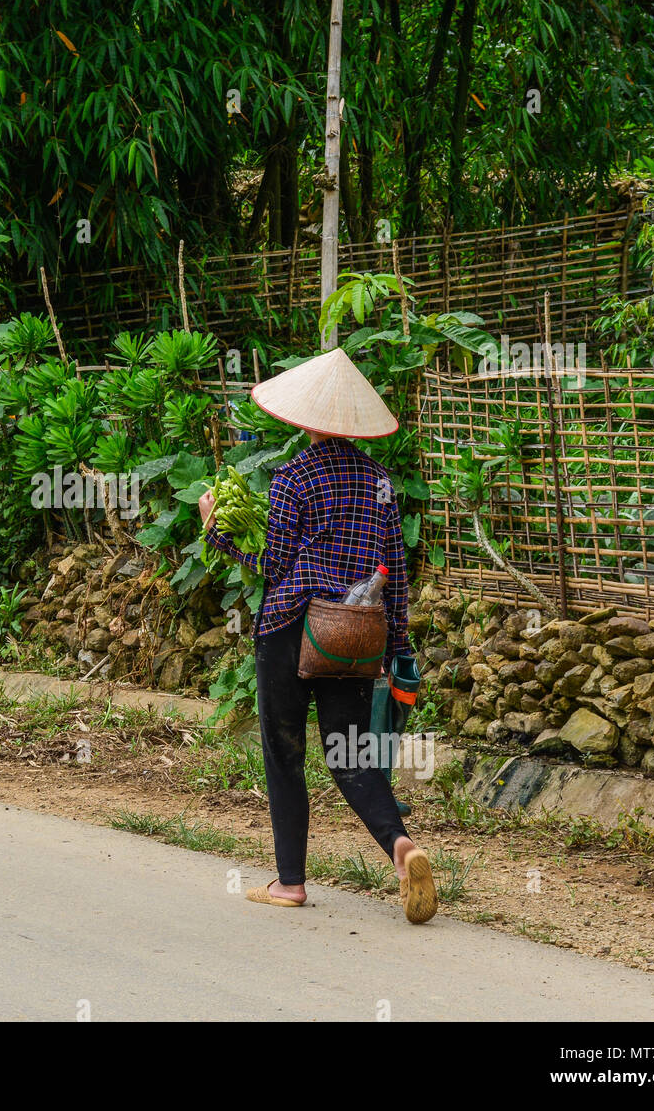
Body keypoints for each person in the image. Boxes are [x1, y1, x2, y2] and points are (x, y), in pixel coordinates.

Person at [199, 347, 437, 924]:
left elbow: (274, 563)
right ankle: (402, 850)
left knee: (284, 752)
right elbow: (395, 572)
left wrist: (215, 527)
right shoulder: (381, 482)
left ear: (305, 418)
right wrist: (397, 646)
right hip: (354, 633)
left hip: (291, 626)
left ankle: (290, 884)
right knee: (350, 753)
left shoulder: (293, 476)